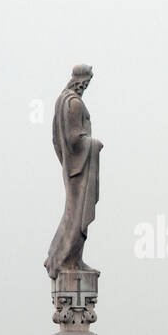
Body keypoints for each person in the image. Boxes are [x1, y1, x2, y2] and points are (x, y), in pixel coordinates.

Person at [44, 65, 102, 278]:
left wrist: (65, 159)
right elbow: (73, 139)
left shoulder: (62, 101)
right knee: (77, 216)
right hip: (79, 167)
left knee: (72, 214)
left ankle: (64, 257)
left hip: (72, 166)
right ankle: (66, 258)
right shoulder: (73, 103)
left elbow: (56, 139)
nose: (85, 87)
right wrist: (94, 144)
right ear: (79, 80)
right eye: (85, 83)